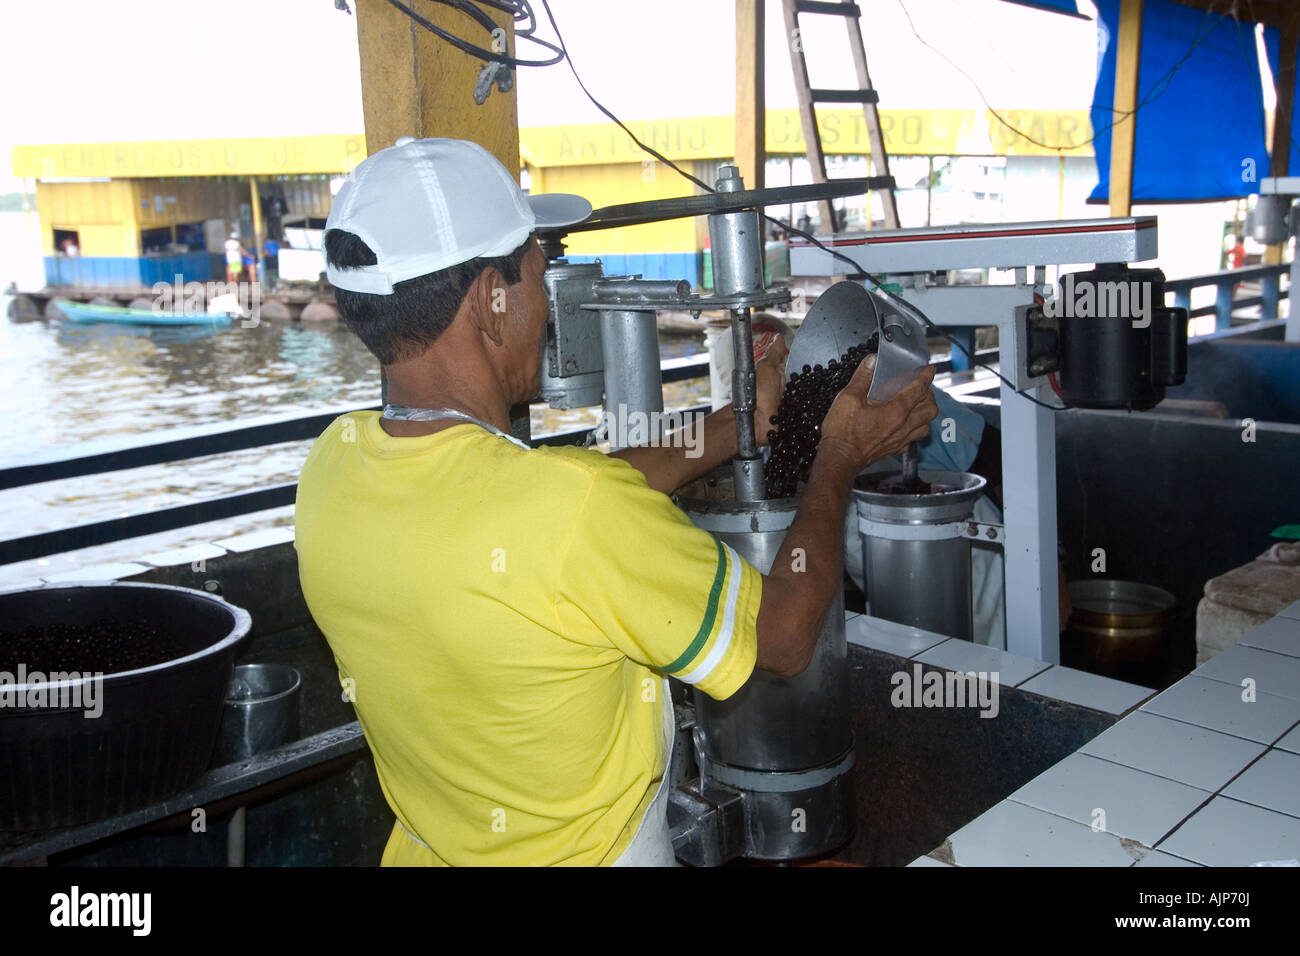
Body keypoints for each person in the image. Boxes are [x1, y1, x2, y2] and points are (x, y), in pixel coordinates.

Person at [293, 137, 937, 866]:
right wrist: (839, 456)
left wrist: (737, 425)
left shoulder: (331, 468)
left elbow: (535, 492)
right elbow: (785, 637)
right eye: (542, 274)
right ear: (490, 302)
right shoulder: (571, 513)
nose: (550, 306)